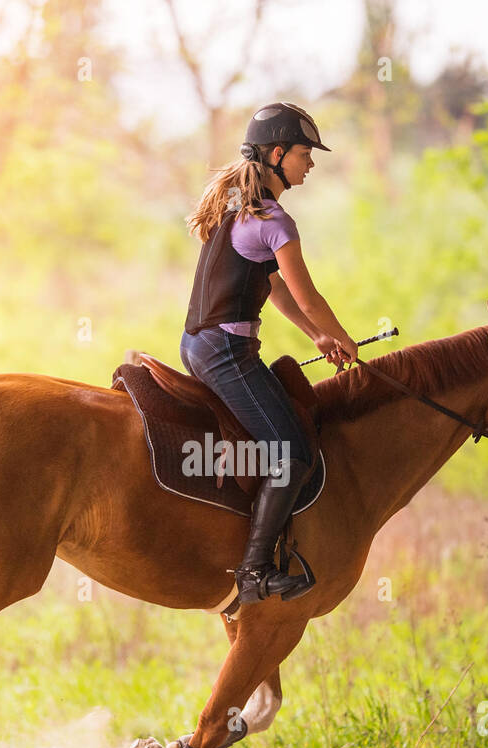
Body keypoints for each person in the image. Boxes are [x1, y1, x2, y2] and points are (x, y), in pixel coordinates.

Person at [180, 101, 358, 604]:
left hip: (198, 343)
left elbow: (276, 291)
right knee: (293, 450)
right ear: (278, 154)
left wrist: (316, 337)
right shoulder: (274, 220)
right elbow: (310, 296)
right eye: (305, 153)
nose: (311, 163)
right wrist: (341, 335)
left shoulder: (237, 207)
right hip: (225, 352)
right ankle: (254, 572)